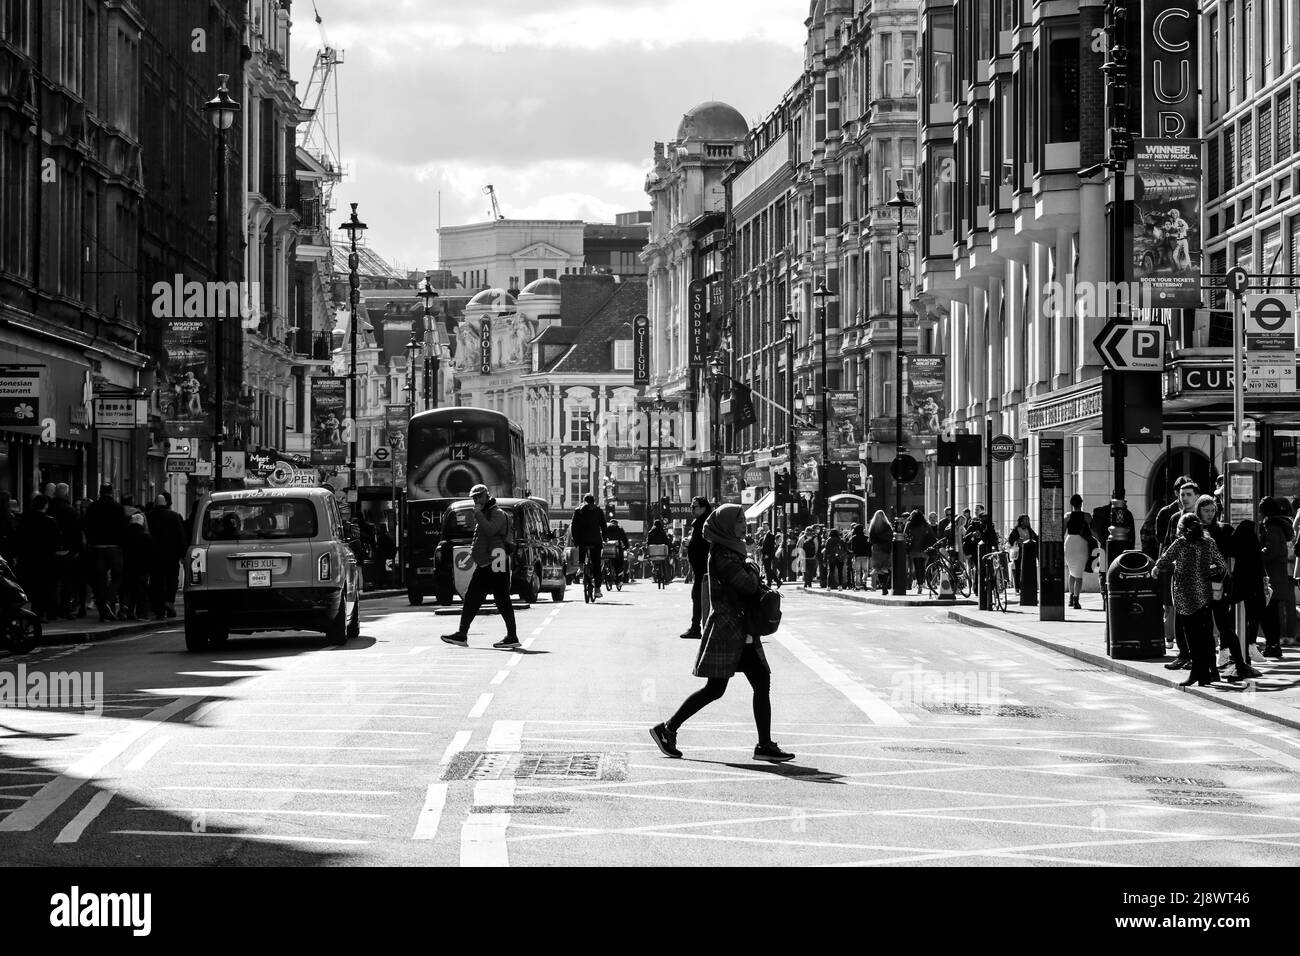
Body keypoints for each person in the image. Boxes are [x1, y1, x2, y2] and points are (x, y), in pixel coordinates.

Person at [649, 504, 794, 763]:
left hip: (740, 628)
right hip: (730, 629)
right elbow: (748, 585)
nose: (743, 525)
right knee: (718, 688)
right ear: (727, 525)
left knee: (755, 682)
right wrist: (753, 566)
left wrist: (751, 563)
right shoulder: (723, 553)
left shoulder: (733, 549)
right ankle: (668, 728)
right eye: (739, 521)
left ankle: (763, 744)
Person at [440, 484, 519, 650]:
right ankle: (462, 634)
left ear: (487, 496)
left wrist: (477, 515)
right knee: (472, 597)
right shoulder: (484, 513)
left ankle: (511, 636)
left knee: (502, 598)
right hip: (486, 562)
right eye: (474, 497)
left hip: (497, 560)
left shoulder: (496, 513)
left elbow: (490, 531)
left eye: (479, 497)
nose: (476, 500)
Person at [1152, 512, 1226, 686]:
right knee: (1205, 636)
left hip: (1185, 596)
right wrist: (1206, 573)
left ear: (1181, 528)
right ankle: (1208, 673)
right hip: (1204, 596)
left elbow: (1165, 559)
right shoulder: (1209, 543)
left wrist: (1156, 569)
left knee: (1192, 637)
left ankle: (1197, 673)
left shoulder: (1181, 543)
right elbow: (1221, 566)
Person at [1196, 495, 1255, 681]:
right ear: (1199, 511)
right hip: (1202, 584)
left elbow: (1235, 551)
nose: (1210, 514)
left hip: (1219, 584)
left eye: (1212, 510)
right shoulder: (1195, 530)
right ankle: (1211, 668)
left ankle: (1239, 663)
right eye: (1206, 511)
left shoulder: (1222, 529)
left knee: (1224, 626)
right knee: (1204, 628)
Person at [84, 484, 128, 622]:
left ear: (100, 492)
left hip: (97, 548)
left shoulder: (92, 507)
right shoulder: (118, 507)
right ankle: (109, 602)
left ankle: (104, 611)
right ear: (112, 493)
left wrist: (91, 541)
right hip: (114, 548)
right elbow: (123, 528)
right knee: (117, 577)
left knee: (100, 580)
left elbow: (86, 526)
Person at [16, 494, 62, 621]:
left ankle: (36, 612)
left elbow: (18, 540)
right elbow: (57, 541)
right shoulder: (50, 521)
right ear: (45, 506)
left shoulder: (25, 520)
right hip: (46, 559)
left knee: (33, 587)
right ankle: (47, 613)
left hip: (29, 559)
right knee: (47, 587)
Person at [1258, 496, 1292, 660]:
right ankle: (1273, 644)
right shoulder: (1278, 526)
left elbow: (1271, 550)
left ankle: (1273, 645)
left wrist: (1257, 554)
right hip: (1277, 575)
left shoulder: (1271, 527)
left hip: (1271, 576)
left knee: (1268, 613)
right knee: (1271, 613)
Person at [146, 491, 187, 618]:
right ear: (167, 503)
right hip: (171, 555)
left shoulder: (148, 516)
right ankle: (169, 603)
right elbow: (181, 536)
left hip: (154, 556)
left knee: (156, 580)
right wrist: (182, 554)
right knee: (171, 580)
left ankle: (158, 607)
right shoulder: (174, 516)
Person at [49, 483, 82, 619]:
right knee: (67, 583)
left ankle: (52, 611)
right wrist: (76, 550)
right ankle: (65, 610)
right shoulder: (70, 510)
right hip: (67, 551)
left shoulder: (49, 509)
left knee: (52, 583)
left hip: (51, 551)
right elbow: (76, 531)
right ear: (67, 494)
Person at [570, 493, 607, 598]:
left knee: (582, 548)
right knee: (596, 565)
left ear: (583, 501)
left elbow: (574, 527)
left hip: (582, 540)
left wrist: (575, 540)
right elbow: (603, 526)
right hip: (596, 541)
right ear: (593, 501)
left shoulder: (578, 510)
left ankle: (581, 567)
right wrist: (605, 538)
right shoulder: (598, 510)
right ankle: (598, 590)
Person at [1062, 494, 1096, 609]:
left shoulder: (1067, 516)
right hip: (1082, 544)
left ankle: (1071, 598)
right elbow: (1093, 530)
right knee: (1078, 575)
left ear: (1071, 504)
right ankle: (1076, 600)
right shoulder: (1087, 517)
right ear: (1081, 503)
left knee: (1071, 571)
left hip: (1069, 542)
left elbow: (1062, 532)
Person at [121, 512, 152, 620]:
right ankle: (142, 613)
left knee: (129, 590)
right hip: (142, 568)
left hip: (128, 567)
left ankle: (128, 611)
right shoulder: (146, 536)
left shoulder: (125, 536)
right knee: (142, 592)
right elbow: (150, 554)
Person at [1006, 515, 1038, 593]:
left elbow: (1036, 538)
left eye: (1028, 520)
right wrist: (1017, 540)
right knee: (1018, 569)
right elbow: (1010, 540)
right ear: (1021, 521)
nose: (1028, 521)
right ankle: (1017, 587)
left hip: (1029, 552)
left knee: (1029, 569)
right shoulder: (1016, 530)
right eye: (1026, 520)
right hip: (1019, 552)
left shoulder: (1029, 529)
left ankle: (1029, 586)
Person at [905, 509, 934, 594]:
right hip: (924, 548)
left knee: (916, 567)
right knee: (922, 567)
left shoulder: (909, 524)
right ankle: (921, 583)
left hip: (914, 548)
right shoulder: (925, 524)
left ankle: (919, 584)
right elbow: (931, 535)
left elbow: (905, 534)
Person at [867, 510, 893, 592]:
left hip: (876, 549)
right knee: (885, 568)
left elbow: (871, 539)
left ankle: (882, 585)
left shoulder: (873, 526)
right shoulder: (887, 525)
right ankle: (885, 584)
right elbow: (891, 537)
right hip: (886, 549)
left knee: (878, 569)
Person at [606, 517, 629, 586]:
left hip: (607, 548)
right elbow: (624, 539)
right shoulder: (620, 529)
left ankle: (606, 571)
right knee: (620, 563)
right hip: (617, 548)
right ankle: (618, 580)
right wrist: (626, 546)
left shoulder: (607, 528)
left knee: (606, 560)